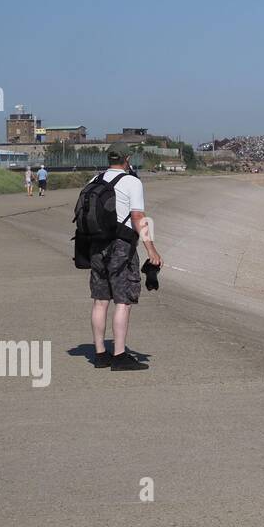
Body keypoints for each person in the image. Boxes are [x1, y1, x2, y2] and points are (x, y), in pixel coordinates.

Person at [89, 150, 162, 370]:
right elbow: (138, 217)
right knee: (123, 300)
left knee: (100, 301)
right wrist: (151, 249)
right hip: (121, 245)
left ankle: (100, 354)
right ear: (127, 160)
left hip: (95, 245)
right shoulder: (131, 182)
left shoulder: (94, 180)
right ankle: (120, 355)